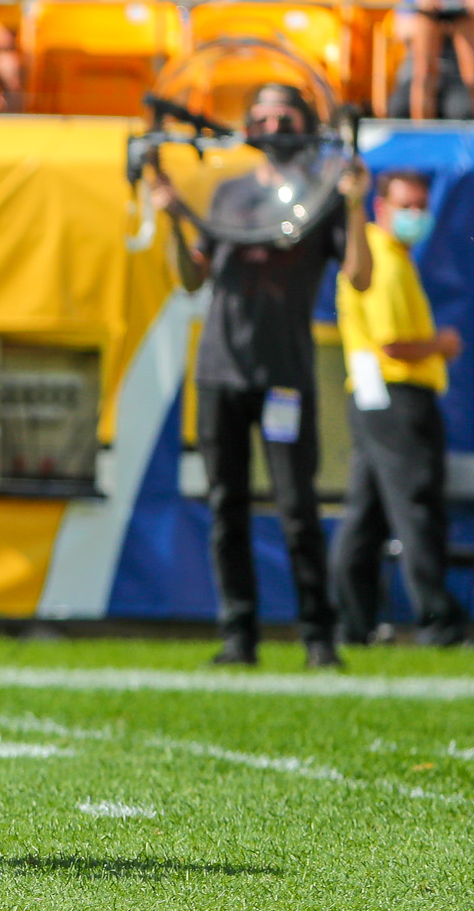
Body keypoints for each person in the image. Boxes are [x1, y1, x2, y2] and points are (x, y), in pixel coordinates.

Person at [149, 85, 374, 668]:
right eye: (262, 115)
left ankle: (319, 638)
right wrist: (174, 220)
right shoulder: (228, 194)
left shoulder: (322, 194)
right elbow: (193, 279)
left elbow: (360, 278)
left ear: (304, 123)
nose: (272, 125)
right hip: (221, 371)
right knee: (227, 508)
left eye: (284, 115)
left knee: (297, 508)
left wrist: (354, 204)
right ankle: (238, 636)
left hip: (284, 375)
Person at [330, 169, 468, 649]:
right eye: (405, 206)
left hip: (374, 399)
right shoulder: (382, 259)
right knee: (417, 508)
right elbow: (392, 345)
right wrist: (442, 345)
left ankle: (352, 622)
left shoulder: (389, 255)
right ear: (380, 208)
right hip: (396, 397)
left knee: (366, 515)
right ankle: (438, 622)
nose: (416, 216)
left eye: (420, 206)